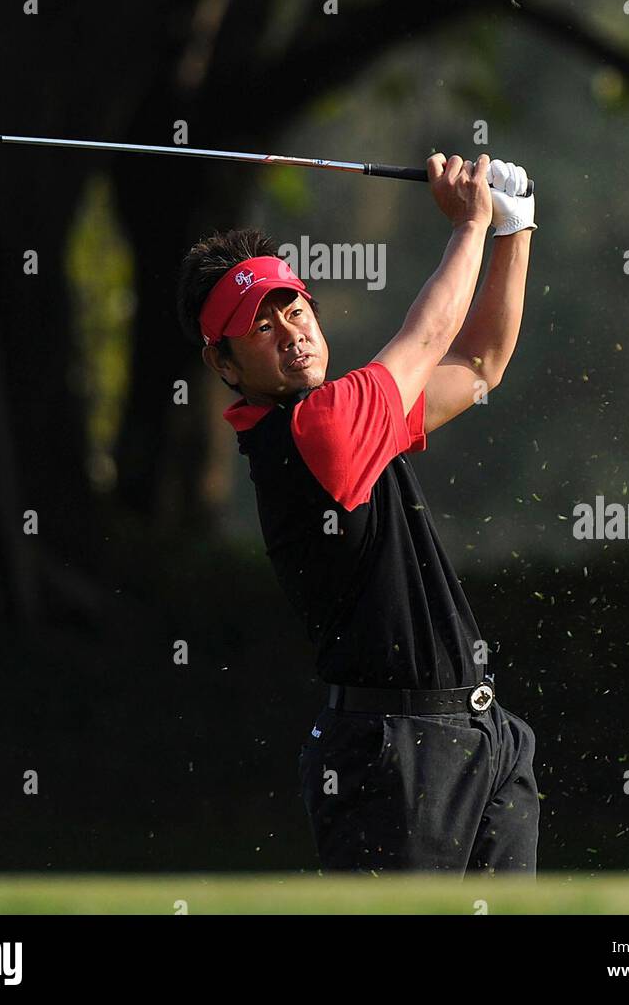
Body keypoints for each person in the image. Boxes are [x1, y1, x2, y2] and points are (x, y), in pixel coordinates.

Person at [176, 152, 539, 874]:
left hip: (480, 733)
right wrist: (470, 224)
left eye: (295, 308)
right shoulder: (315, 431)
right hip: (393, 749)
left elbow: (479, 364)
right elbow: (429, 336)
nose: (291, 332)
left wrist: (513, 228)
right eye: (261, 328)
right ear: (225, 365)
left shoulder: (348, 420)